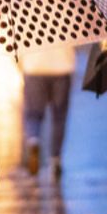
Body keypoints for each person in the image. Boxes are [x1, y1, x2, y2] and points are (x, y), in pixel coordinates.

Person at [20, 43, 79, 176]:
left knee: (33, 114)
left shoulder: (27, 21)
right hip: (62, 66)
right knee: (59, 117)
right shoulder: (68, 20)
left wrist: (21, 64)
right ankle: (55, 159)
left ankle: (33, 141)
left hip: (34, 66)